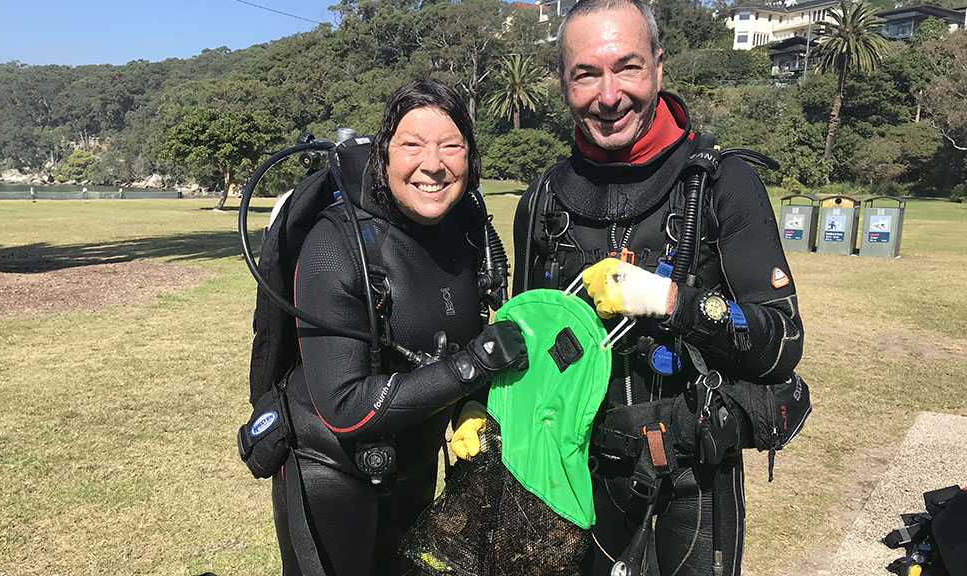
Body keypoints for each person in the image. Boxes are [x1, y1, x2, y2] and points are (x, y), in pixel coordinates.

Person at [506, 1, 804, 575]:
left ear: (659, 68)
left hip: (694, 480)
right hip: (572, 477)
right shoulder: (542, 200)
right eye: (586, 74)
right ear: (563, 83)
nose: (609, 94)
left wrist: (674, 302)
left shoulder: (723, 184)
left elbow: (783, 343)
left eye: (628, 67)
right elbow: (523, 353)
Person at [271, 77, 528, 576]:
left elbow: (466, 332)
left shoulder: (465, 232)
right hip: (331, 473)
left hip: (414, 467)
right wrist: (471, 368)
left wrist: (471, 402)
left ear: (471, 158)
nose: (432, 164)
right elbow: (344, 407)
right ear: (383, 155)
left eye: (451, 145)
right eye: (412, 145)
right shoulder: (336, 245)